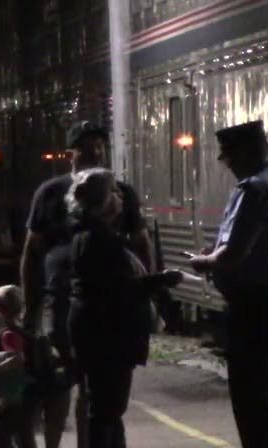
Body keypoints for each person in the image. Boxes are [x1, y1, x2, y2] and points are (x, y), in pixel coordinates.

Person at [20, 120, 151, 448]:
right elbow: (31, 253)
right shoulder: (52, 194)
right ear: (72, 153)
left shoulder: (119, 195)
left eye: (99, 146)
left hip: (92, 307)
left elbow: (142, 244)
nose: (95, 151)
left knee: (88, 391)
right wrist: (31, 309)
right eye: (87, 146)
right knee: (69, 387)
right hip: (68, 302)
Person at [188, 120, 268, 448]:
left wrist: (204, 262)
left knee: (251, 396)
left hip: (254, 307)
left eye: (229, 157)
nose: (228, 166)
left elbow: (235, 253)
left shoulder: (254, 188)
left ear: (246, 154)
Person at [67, 168, 183, 448]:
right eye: (115, 192)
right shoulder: (99, 239)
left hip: (103, 333)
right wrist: (160, 281)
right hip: (108, 336)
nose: (121, 197)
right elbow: (114, 289)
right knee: (106, 410)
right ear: (103, 201)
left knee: (108, 410)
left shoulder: (94, 235)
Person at [0, 285, 37, 448]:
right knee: (24, 436)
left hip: (11, 395)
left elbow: (17, 358)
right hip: (26, 394)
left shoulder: (9, 335)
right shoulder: (24, 331)